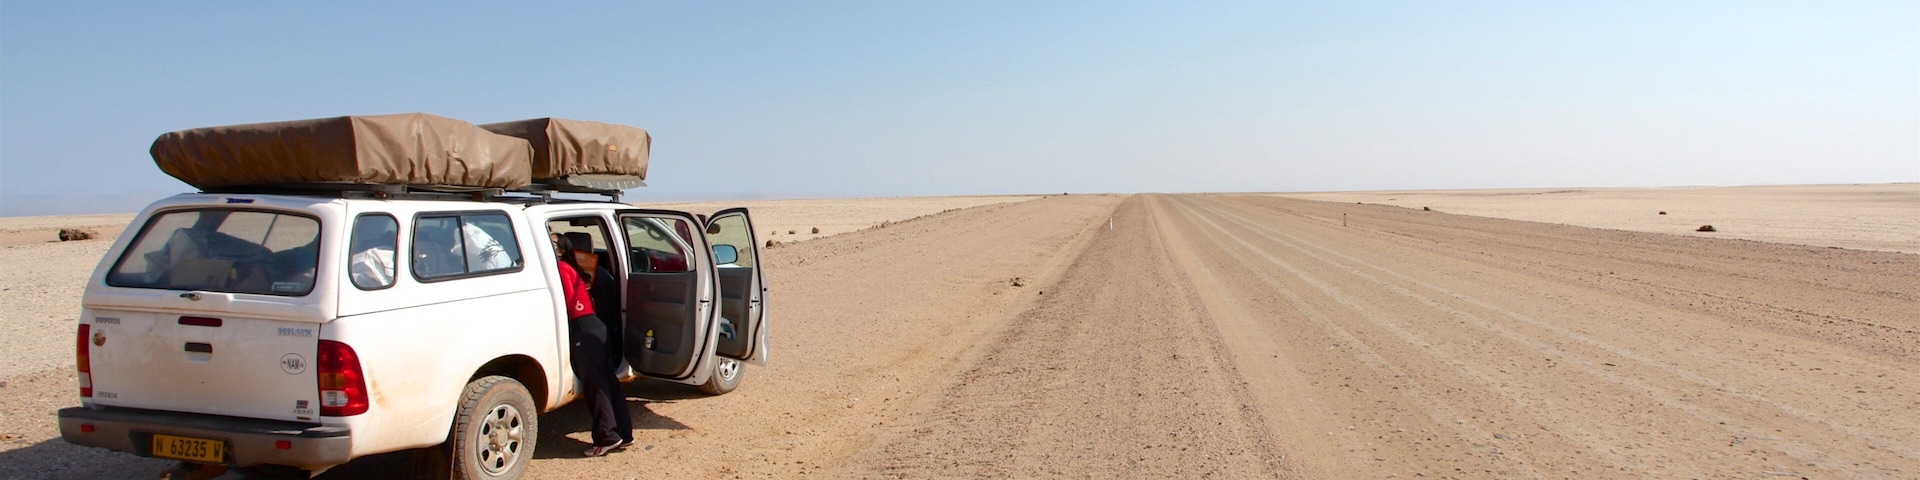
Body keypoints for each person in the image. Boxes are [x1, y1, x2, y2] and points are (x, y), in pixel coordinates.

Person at [555, 235, 634, 457]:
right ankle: (624, 433)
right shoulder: (575, 267)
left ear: (561, 251)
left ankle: (606, 437)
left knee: (595, 386)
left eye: (553, 245)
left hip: (583, 328)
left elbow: (565, 302)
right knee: (608, 382)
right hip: (595, 326)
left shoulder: (561, 268)